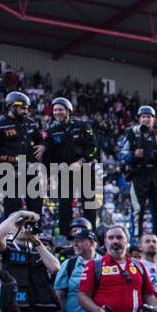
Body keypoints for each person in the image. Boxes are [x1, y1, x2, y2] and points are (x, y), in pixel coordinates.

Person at [43, 96, 99, 238]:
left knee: (89, 204)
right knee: (64, 205)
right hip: (64, 172)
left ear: (68, 111)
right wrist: (50, 176)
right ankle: (65, 236)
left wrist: (80, 162)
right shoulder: (51, 130)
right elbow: (49, 156)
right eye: (55, 110)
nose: (57, 112)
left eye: (60, 109)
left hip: (85, 170)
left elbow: (93, 147)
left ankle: (91, 234)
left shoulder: (82, 126)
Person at [77, 225, 157, 312]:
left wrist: (153, 311)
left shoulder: (138, 265)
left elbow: (149, 295)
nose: (115, 241)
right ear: (106, 242)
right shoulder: (93, 265)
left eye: (119, 237)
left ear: (126, 241)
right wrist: (98, 311)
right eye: (111, 238)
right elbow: (83, 296)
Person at [0, 91, 45, 217]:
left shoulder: (31, 123)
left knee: (36, 204)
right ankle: (11, 235)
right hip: (7, 170)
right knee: (13, 207)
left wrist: (43, 146)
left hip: (29, 169)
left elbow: (41, 139)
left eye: (27, 108)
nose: (25, 111)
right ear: (11, 106)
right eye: (22, 108)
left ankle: (35, 233)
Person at [118, 106, 157, 237]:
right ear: (139, 119)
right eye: (143, 117)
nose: (146, 119)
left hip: (156, 175)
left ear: (153, 119)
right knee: (137, 210)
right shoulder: (131, 133)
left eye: (149, 117)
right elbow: (121, 154)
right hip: (138, 174)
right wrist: (133, 154)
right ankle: (136, 241)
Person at [53, 224, 99, 312]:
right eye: (74, 241)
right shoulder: (69, 264)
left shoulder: (105, 263)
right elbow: (58, 296)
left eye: (80, 241)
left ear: (92, 243)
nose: (75, 244)